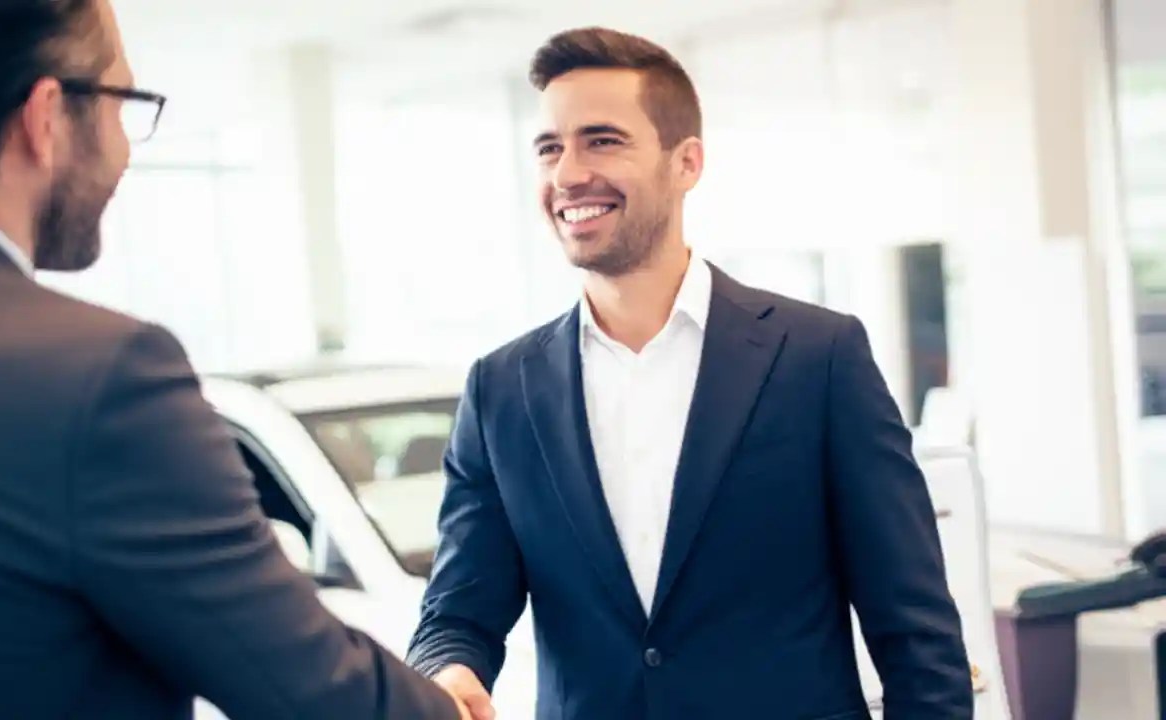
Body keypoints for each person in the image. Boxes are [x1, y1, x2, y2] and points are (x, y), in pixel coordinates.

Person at [0, 2, 465, 719]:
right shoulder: (102, 377)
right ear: (46, 118)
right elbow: (319, 696)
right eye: (122, 105)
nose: (126, 151)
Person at [406, 26, 973, 720]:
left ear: (686, 163)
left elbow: (916, 630)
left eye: (601, 140)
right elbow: (458, 608)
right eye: (550, 148)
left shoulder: (818, 357)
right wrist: (448, 667)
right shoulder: (501, 391)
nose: (568, 174)